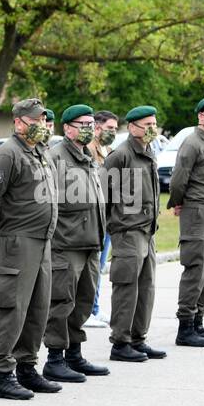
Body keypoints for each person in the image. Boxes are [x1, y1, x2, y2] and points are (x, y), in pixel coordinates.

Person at [0, 97, 60, 400]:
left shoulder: (40, 152)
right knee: (11, 308)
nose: (39, 125)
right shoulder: (8, 154)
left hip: (42, 242)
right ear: (18, 122)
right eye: (33, 120)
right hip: (17, 242)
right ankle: (2, 374)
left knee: (38, 308)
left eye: (42, 119)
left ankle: (27, 367)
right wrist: (2, 224)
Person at [42, 104, 110, 383]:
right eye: (81, 124)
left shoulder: (87, 156)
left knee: (83, 301)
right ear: (67, 128)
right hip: (66, 242)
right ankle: (54, 359)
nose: (87, 128)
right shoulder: (55, 157)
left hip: (90, 241)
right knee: (61, 302)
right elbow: (45, 201)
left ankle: (74, 354)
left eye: (90, 123)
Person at [103, 105, 165, 362]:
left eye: (154, 124)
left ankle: (138, 338)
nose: (152, 128)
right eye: (146, 125)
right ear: (132, 127)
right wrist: (113, 225)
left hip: (147, 231)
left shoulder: (148, 151)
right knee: (126, 287)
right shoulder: (121, 155)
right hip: (127, 231)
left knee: (146, 287)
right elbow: (102, 197)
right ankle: (120, 343)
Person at [168, 96, 204, 347]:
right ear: (200, 116)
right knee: (195, 268)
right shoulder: (192, 142)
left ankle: (198, 321)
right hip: (196, 211)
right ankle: (185, 327)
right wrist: (177, 201)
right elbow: (179, 177)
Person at [87, 110, 119, 327]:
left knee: (99, 266)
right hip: (93, 217)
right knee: (92, 266)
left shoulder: (106, 149)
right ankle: (87, 311)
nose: (113, 132)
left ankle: (94, 309)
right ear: (97, 128)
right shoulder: (89, 149)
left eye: (115, 129)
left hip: (106, 216)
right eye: (110, 128)